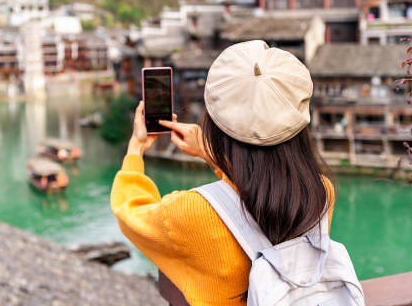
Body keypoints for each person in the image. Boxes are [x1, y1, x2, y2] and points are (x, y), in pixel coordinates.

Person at [111, 40, 336, 305]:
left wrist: (135, 149)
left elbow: (130, 212)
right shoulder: (320, 191)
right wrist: (213, 154)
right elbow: (258, 193)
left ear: (213, 122)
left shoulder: (192, 211)